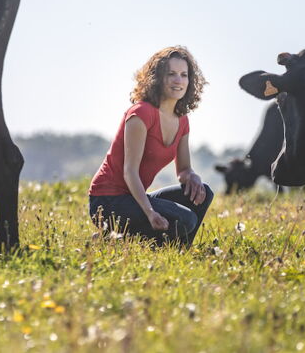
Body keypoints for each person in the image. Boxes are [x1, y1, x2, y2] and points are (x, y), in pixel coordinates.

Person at [89, 46, 213, 246]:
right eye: (171, 74)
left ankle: (179, 250)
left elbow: (183, 170)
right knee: (187, 219)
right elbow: (130, 171)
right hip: (107, 201)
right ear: (157, 78)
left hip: (134, 197)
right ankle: (116, 238)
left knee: (205, 193)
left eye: (184, 75)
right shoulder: (142, 113)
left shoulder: (182, 120)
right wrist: (150, 212)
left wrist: (193, 177)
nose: (178, 80)